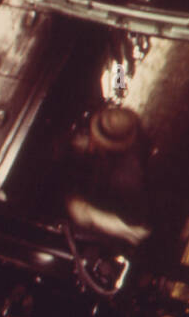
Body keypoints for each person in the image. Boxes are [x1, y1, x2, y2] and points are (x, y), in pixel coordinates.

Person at [63, 104, 152, 247]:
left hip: (113, 222)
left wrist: (83, 209)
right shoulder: (129, 137)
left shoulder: (124, 179)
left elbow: (134, 229)